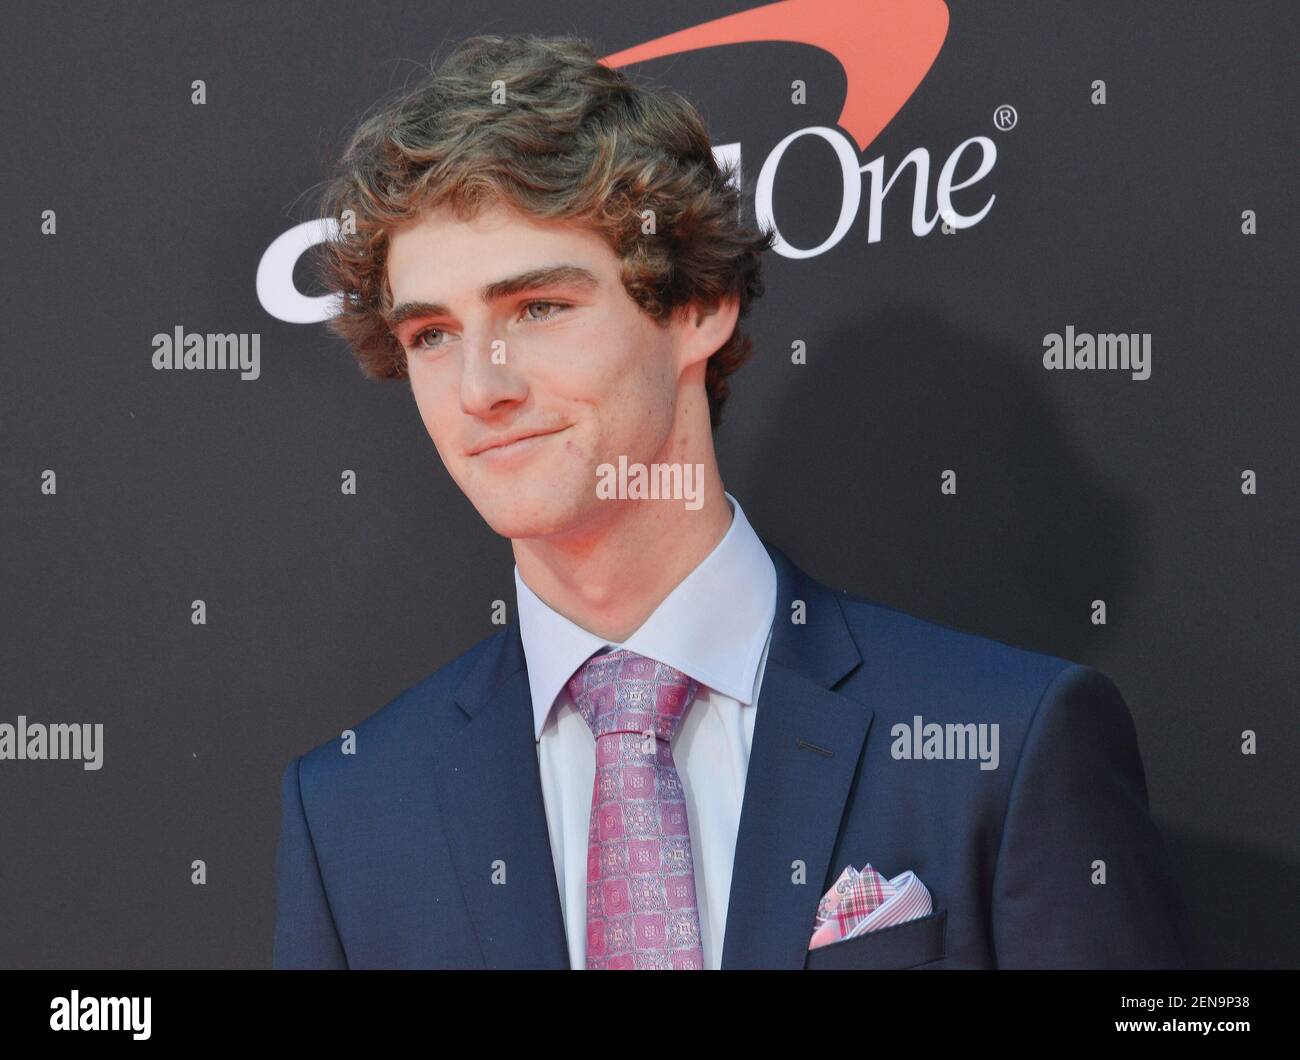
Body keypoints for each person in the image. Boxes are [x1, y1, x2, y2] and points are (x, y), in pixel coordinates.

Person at [272, 33, 1194, 969]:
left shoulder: (1004, 743)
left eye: (537, 309)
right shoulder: (353, 810)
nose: (480, 387)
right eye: (431, 335)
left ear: (697, 306)